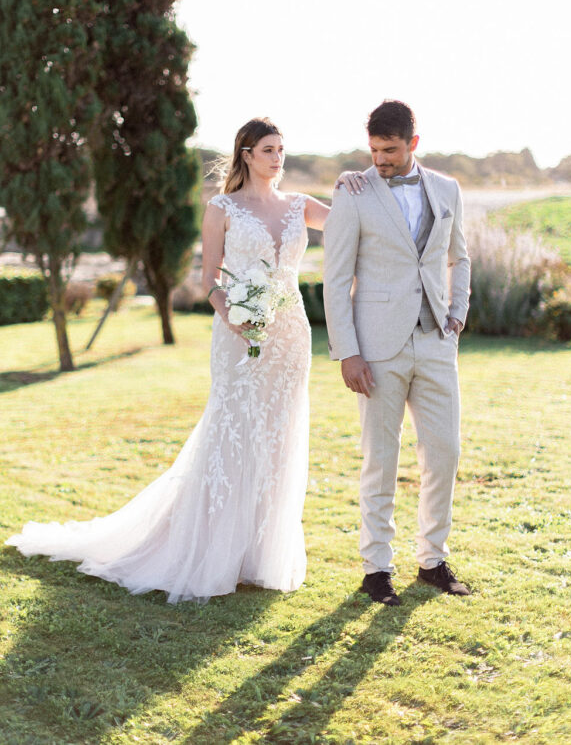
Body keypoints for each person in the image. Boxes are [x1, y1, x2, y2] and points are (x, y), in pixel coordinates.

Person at [7, 117, 338, 604]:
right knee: (233, 430)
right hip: (237, 334)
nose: (278, 158)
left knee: (280, 433)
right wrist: (232, 317)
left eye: (282, 149)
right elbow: (210, 279)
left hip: (290, 336)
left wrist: (360, 183)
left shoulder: (299, 206)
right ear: (246, 154)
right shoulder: (221, 208)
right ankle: (209, 548)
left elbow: (353, 220)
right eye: (268, 149)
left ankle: (259, 554)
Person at [323, 100, 471, 606]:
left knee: (445, 451)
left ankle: (432, 559)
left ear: (413, 143)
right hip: (377, 347)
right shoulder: (354, 192)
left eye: (389, 150)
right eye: (373, 150)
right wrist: (347, 351)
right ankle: (376, 568)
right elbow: (336, 278)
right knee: (380, 459)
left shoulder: (448, 189)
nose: (380, 159)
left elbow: (461, 257)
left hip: (435, 342)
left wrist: (457, 314)